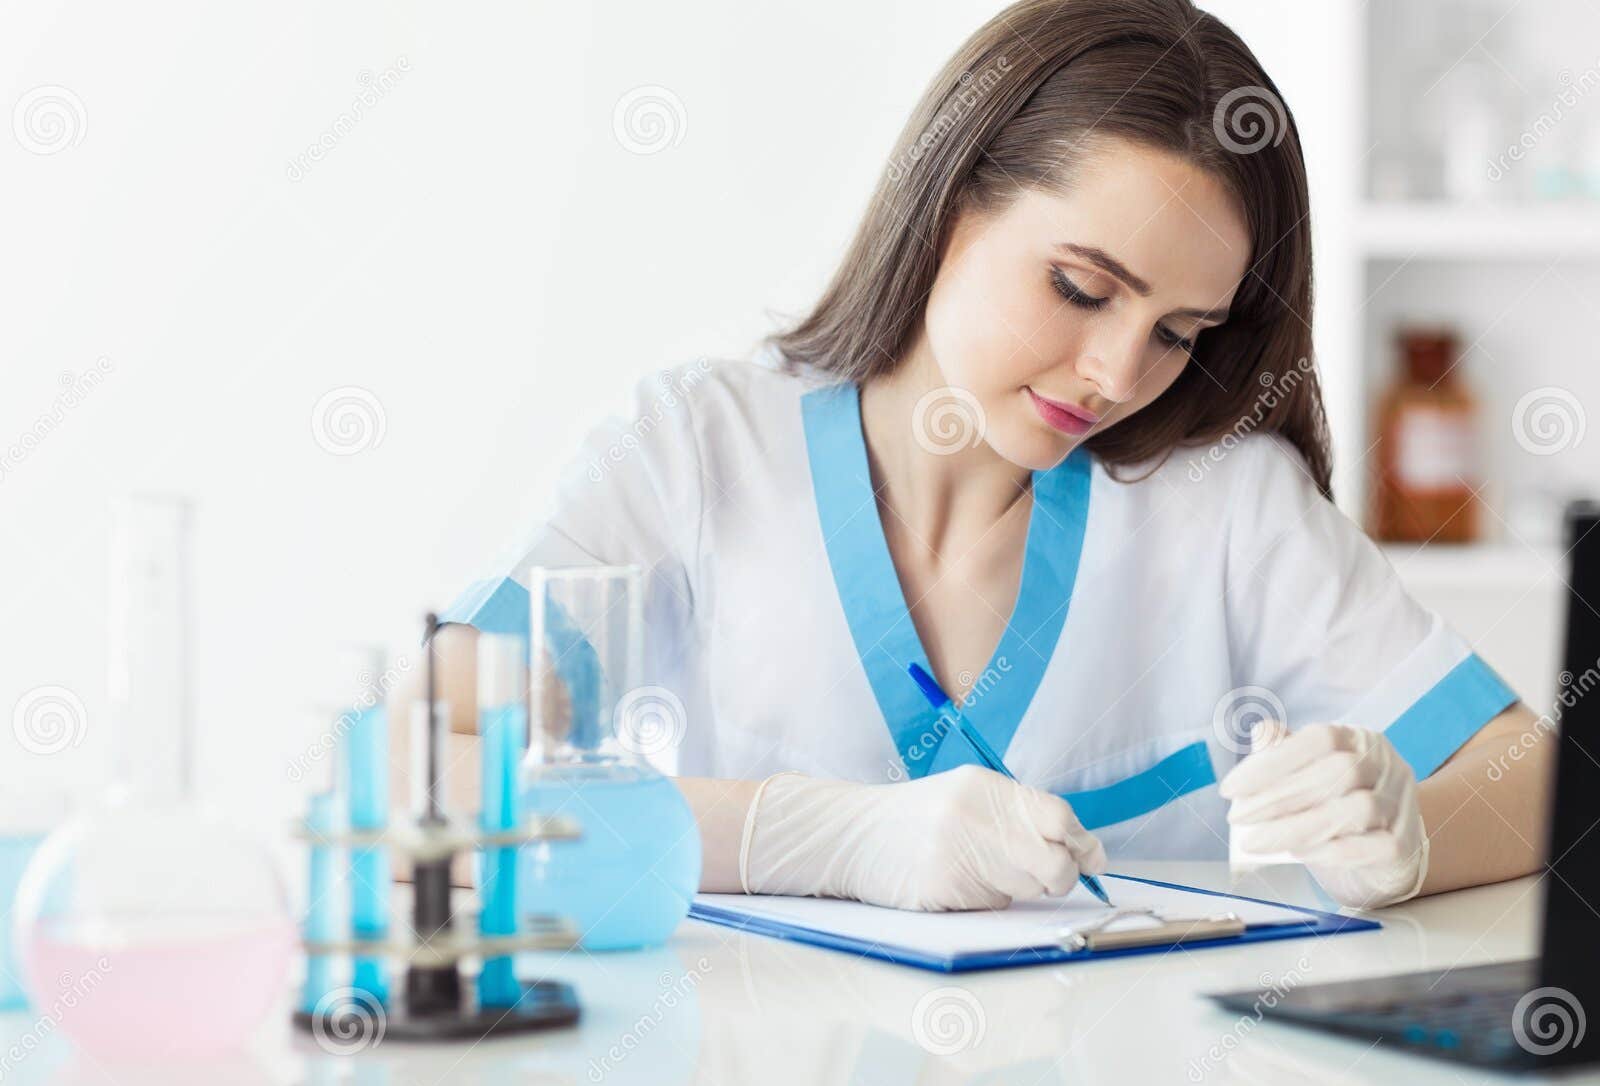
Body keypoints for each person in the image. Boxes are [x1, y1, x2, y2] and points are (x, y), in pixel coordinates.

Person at [409, 0, 1552, 913]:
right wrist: (808, 835)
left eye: (1176, 333)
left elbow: (1540, 774)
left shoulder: (1225, 504)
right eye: (1080, 287)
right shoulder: (694, 453)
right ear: (949, 202)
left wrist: (1409, 838)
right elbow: (417, 769)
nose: (1115, 372)